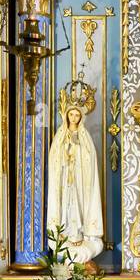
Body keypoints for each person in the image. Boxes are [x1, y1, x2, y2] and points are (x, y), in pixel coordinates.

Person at [46, 104, 104, 263]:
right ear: (66, 116)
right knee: (65, 206)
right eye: (71, 114)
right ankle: (66, 235)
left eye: (76, 115)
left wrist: (77, 150)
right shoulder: (60, 135)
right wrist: (65, 151)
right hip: (64, 180)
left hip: (80, 180)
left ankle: (80, 233)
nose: (73, 118)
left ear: (81, 118)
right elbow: (54, 158)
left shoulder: (84, 136)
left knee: (78, 205)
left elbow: (89, 158)